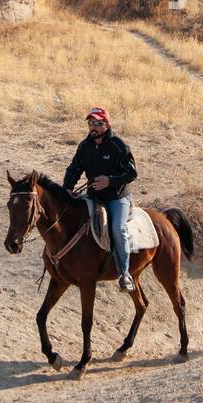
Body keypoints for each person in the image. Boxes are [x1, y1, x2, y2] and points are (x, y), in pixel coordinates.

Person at [62, 107, 139, 291]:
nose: (93, 127)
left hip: (116, 197)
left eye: (97, 123)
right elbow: (74, 169)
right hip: (93, 195)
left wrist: (109, 181)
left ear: (106, 124)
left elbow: (132, 173)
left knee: (117, 229)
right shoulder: (84, 146)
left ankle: (125, 274)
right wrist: (67, 189)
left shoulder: (118, 145)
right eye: (90, 123)